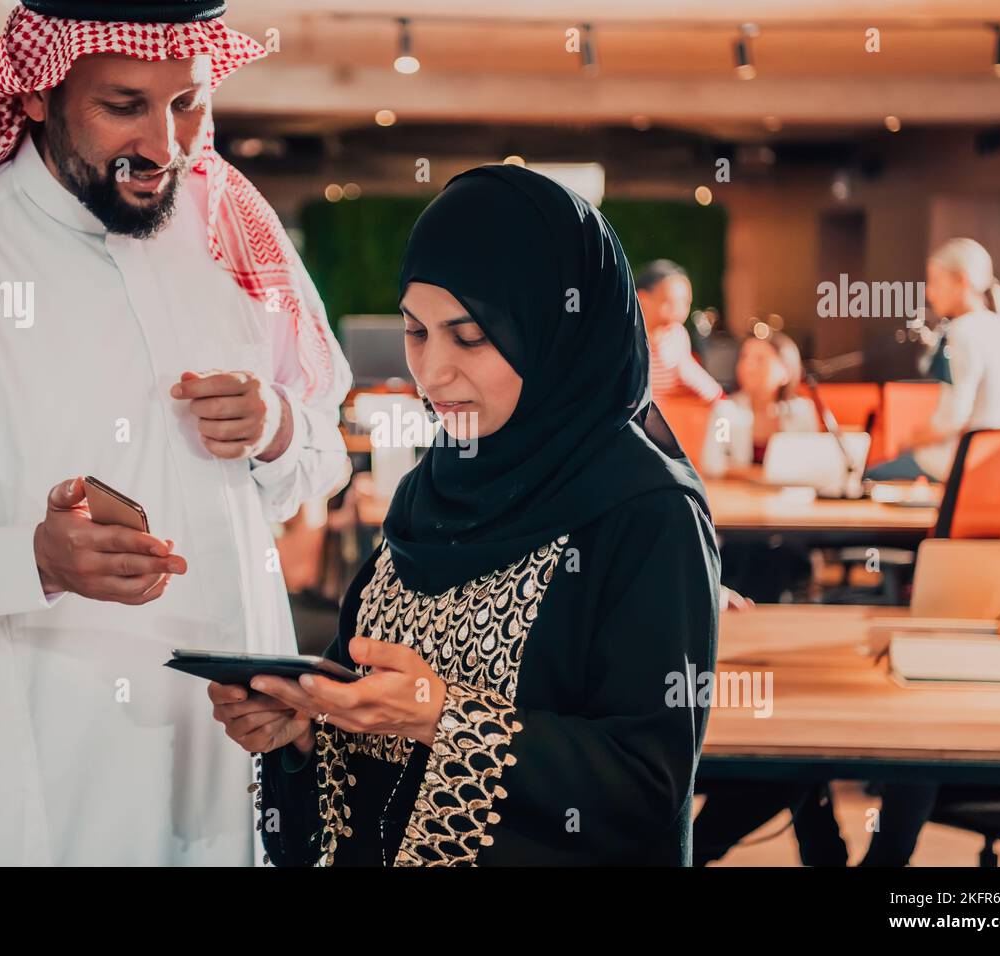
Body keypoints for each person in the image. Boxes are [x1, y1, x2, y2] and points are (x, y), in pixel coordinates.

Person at [0, 0, 351, 865]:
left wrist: (278, 428)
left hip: (231, 775)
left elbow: (319, 457)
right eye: (124, 105)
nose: (166, 145)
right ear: (34, 93)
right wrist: (32, 560)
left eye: (187, 103)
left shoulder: (228, 237)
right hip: (44, 802)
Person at [210, 165, 722, 865]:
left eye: (471, 336)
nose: (432, 373)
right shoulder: (435, 487)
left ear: (555, 331)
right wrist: (302, 728)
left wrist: (443, 716)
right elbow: (362, 706)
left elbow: (647, 785)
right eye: (417, 333)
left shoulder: (647, 513)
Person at [867, 237, 1000, 482]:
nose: (929, 293)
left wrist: (910, 440)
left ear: (961, 281)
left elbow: (955, 416)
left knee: (871, 477)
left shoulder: (964, 330)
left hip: (961, 466)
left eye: (934, 282)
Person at [701, 329, 819, 477]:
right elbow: (712, 463)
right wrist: (760, 476)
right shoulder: (725, 413)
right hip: (738, 497)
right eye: (744, 357)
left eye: (760, 359)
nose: (748, 366)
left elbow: (812, 464)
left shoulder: (801, 411)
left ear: (786, 371)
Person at [637, 260, 725, 404]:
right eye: (669, 303)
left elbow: (694, 376)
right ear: (643, 299)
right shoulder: (629, 337)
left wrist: (721, 400)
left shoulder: (676, 336)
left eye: (685, 302)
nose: (679, 311)